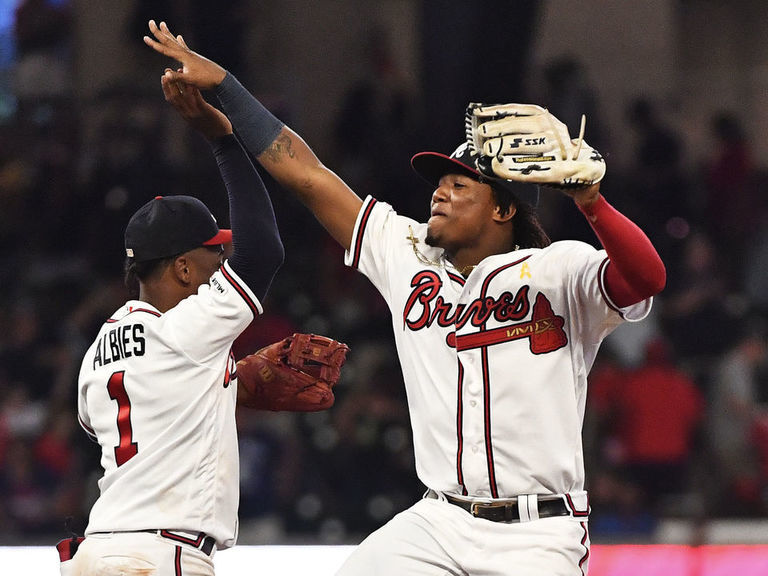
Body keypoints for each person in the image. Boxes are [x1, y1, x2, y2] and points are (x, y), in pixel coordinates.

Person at [144, 20, 666, 575]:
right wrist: (226, 86)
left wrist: (591, 202)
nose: (440, 192)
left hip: (536, 531)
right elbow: (308, 176)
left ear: (503, 208)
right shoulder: (408, 253)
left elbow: (646, 279)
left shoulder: (558, 269)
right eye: (440, 182)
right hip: (439, 521)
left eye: (460, 185)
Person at [65, 36, 284, 576]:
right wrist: (224, 141)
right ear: (183, 268)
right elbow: (263, 251)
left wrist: (227, 381)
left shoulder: (95, 353)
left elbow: (130, 420)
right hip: (161, 554)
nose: (222, 264)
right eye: (214, 255)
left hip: (98, 549)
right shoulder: (187, 328)